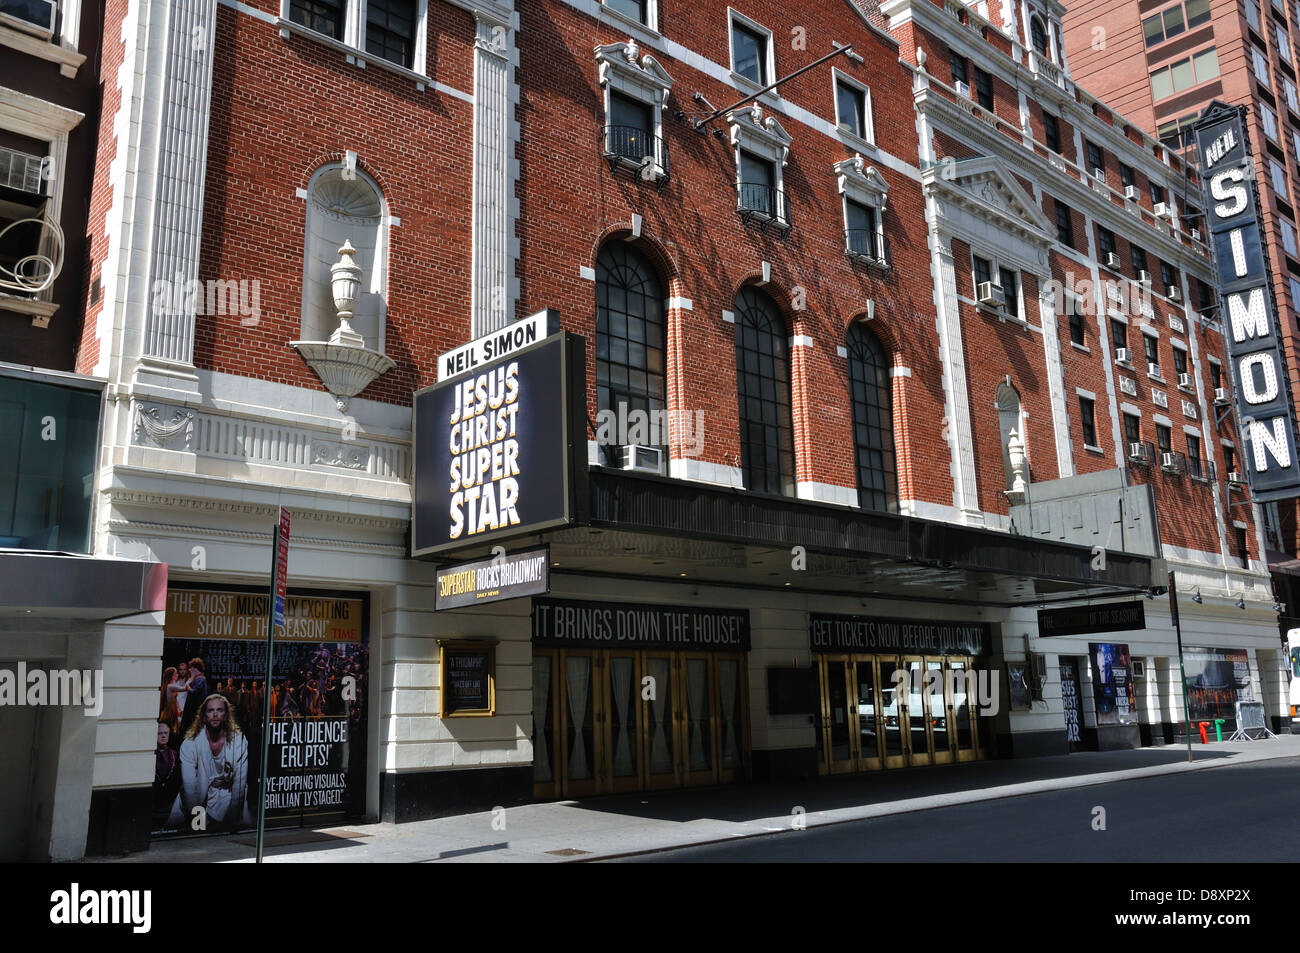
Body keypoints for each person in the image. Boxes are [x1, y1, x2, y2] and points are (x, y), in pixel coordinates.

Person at [174, 693, 251, 831]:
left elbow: (240, 782)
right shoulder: (190, 744)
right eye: (210, 710)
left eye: (219, 710)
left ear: (226, 716)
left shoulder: (239, 742)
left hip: (228, 796)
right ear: (204, 717)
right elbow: (190, 786)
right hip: (198, 798)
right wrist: (198, 823)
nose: (215, 714)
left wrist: (232, 818)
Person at [153, 721, 181, 829]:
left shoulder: (174, 754)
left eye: (166, 733)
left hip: (169, 799)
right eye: (160, 733)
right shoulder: (149, 754)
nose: (164, 736)